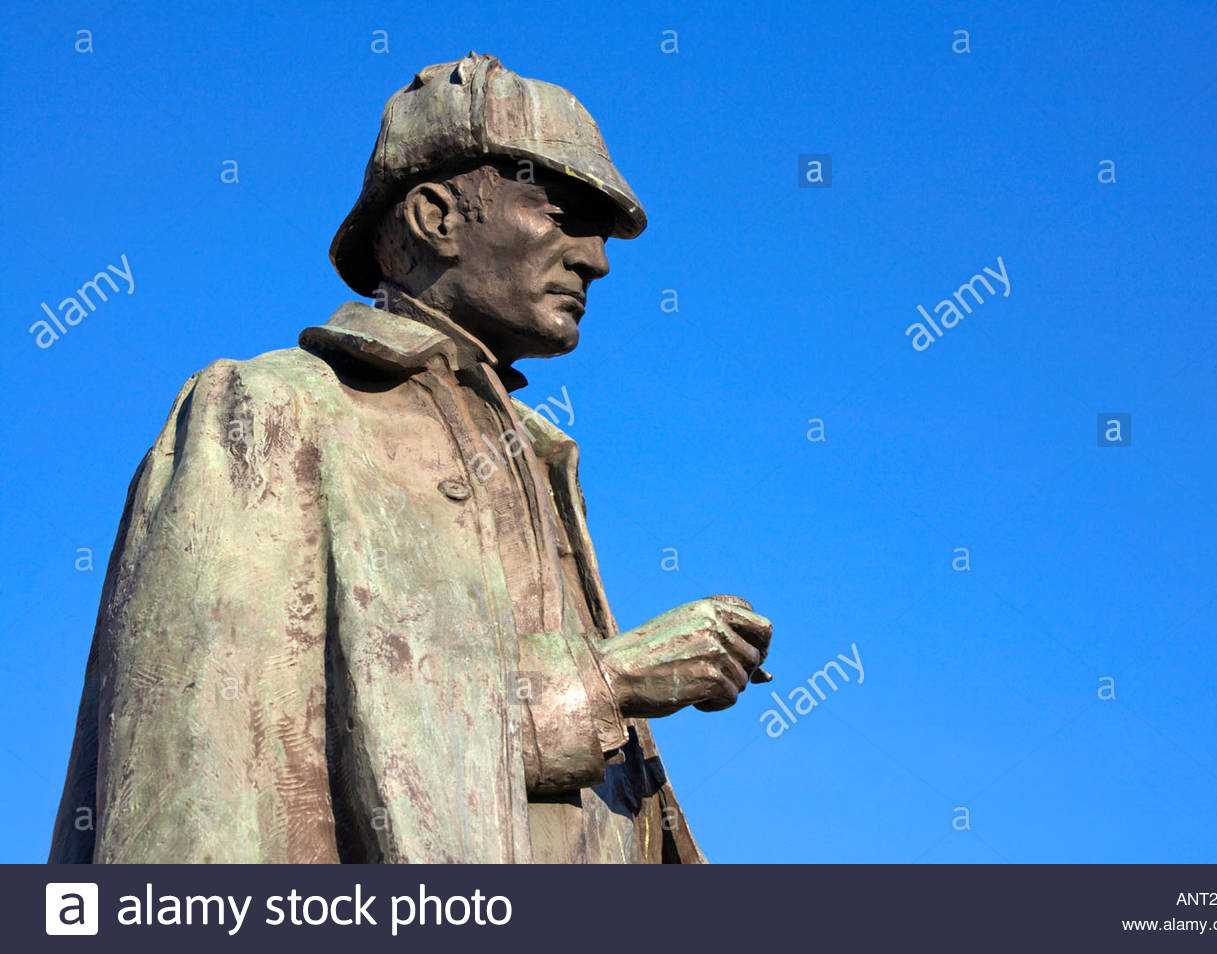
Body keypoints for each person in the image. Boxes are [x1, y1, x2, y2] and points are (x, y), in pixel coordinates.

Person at [49, 52, 772, 864]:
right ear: (436, 217)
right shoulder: (275, 411)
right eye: (561, 212)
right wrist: (607, 683)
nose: (595, 260)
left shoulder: (539, 454)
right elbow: (205, 770)